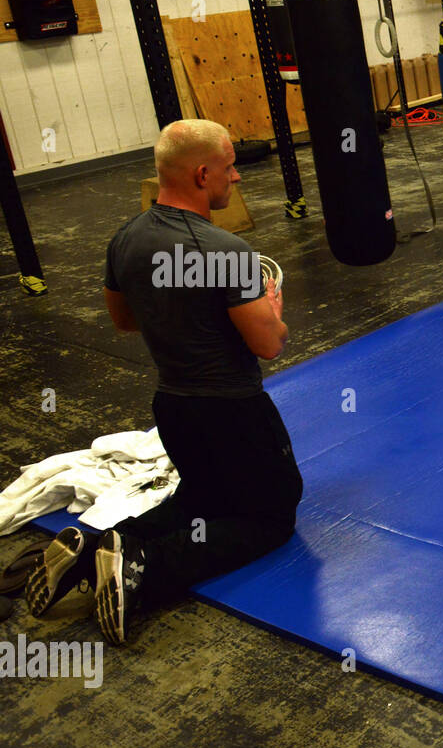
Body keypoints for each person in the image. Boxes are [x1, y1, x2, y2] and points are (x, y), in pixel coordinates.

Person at [24, 119, 302, 645]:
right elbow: (269, 344)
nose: (237, 177)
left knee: (202, 500)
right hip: (232, 409)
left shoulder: (125, 239)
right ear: (202, 174)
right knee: (271, 514)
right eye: (228, 167)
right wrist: (273, 310)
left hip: (173, 406)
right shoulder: (226, 251)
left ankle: (94, 551)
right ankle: (143, 571)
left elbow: (125, 321)